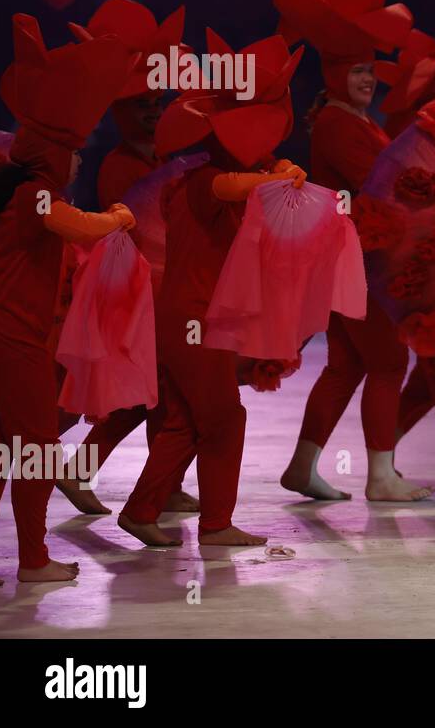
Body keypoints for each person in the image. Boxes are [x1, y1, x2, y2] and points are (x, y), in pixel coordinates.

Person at [118, 30, 307, 548]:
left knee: (183, 421)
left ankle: (140, 511)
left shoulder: (207, 179)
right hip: (192, 319)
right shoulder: (206, 182)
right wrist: (277, 177)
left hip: (191, 316)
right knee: (224, 417)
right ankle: (217, 524)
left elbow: (249, 187)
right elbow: (234, 188)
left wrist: (278, 170)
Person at [273, 0, 435, 501]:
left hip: (351, 260)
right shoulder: (336, 123)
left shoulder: (357, 119)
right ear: (333, 77)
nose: (368, 79)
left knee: (348, 363)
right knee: (390, 359)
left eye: (371, 70)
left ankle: (302, 468)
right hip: (353, 263)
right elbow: (382, 182)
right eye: (357, 72)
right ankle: (380, 476)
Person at [0, 14, 136, 582]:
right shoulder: (33, 192)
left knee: (5, 449)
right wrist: (119, 217)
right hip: (13, 339)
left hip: (6, 337)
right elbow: (75, 226)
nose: (82, 161)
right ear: (56, 153)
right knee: (36, 448)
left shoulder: (18, 189)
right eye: (76, 151)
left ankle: (30, 557)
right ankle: (33, 560)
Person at [56, 0, 199, 516]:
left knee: (158, 394)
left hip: (164, 291)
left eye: (157, 102)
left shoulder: (162, 158)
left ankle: (147, 479)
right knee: (156, 392)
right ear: (118, 111)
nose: (153, 111)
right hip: (140, 294)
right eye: (141, 104)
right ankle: (100, 472)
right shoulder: (119, 164)